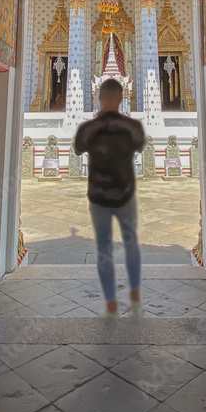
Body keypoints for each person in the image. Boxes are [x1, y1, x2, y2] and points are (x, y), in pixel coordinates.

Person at [74, 79, 146, 316]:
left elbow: (78, 148)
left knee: (104, 249)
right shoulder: (132, 126)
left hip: (99, 197)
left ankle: (111, 303)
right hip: (125, 195)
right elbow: (139, 145)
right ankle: (134, 296)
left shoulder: (89, 128)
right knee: (131, 244)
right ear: (122, 97)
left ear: (99, 97)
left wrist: (98, 119)